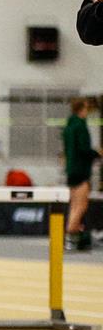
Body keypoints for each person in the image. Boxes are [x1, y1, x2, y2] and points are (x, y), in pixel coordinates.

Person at [65, 98, 95, 252]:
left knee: (74, 206)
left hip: (71, 170)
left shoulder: (68, 125)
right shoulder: (80, 125)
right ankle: (70, 236)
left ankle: (72, 239)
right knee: (81, 205)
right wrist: (97, 153)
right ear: (82, 108)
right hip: (81, 170)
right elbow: (84, 149)